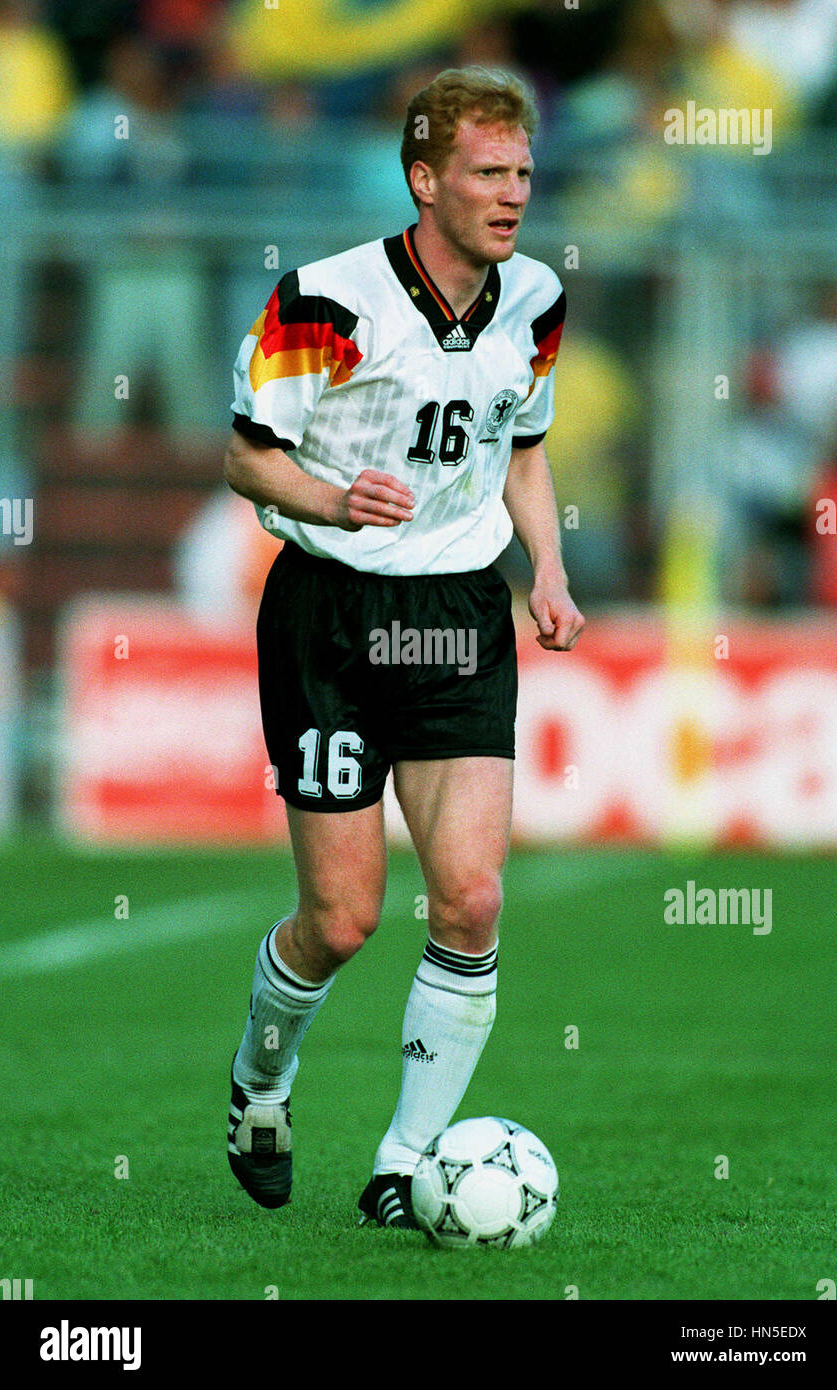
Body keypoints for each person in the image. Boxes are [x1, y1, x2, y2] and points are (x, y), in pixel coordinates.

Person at [222, 66, 584, 1228]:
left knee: (470, 900)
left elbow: (519, 445)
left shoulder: (533, 297)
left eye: (522, 171)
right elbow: (246, 458)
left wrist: (548, 569)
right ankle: (260, 1084)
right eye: (487, 171)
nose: (512, 193)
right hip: (330, 613)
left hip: (460, 617)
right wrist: (333, 502)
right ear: (424, 179)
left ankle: (403, 1164)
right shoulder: (322, 300)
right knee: (341, 921)